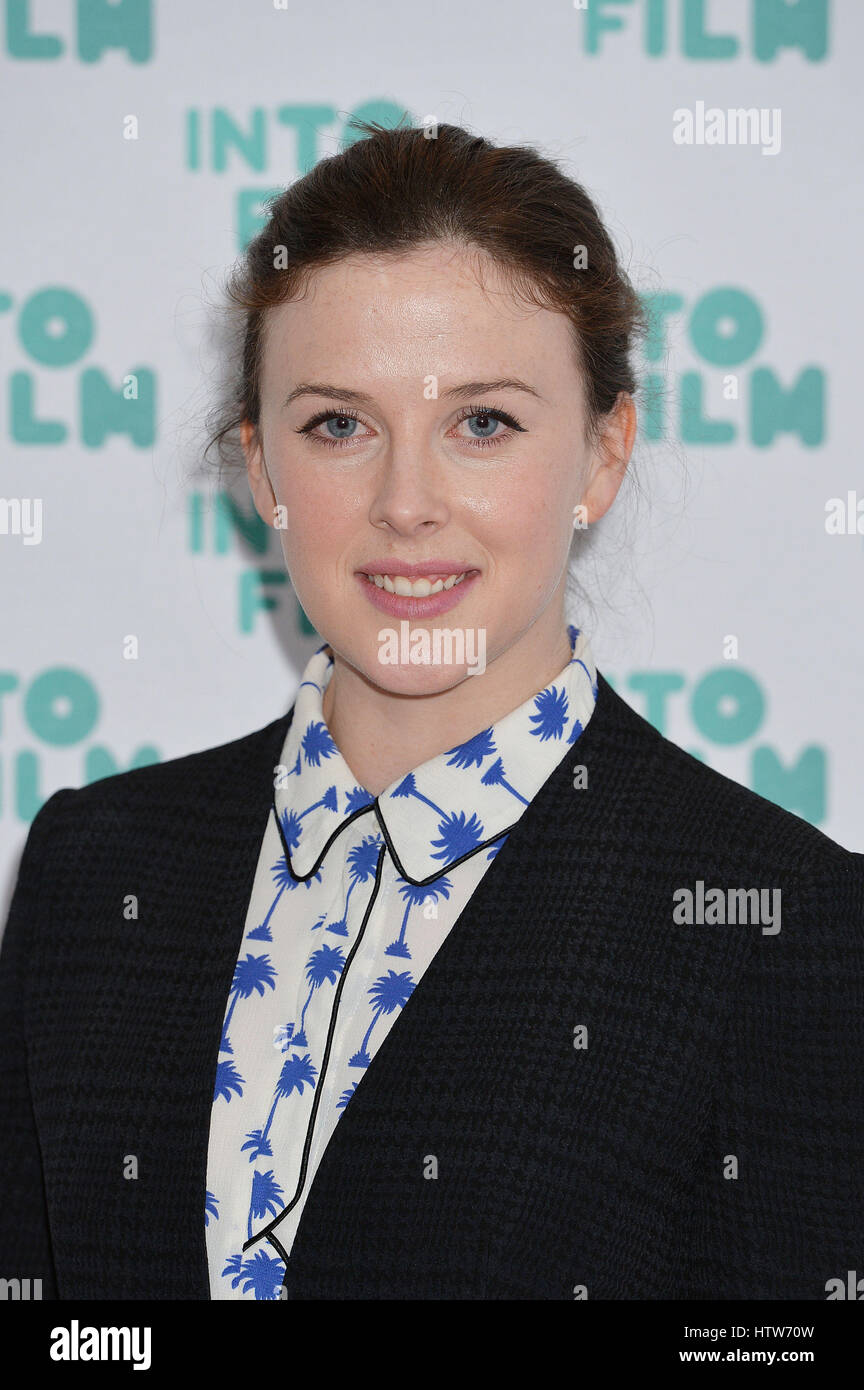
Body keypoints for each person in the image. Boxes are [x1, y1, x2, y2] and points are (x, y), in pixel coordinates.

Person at [1, 121, 861, 1302]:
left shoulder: (778, 923)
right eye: (338, 425)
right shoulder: (92, 869)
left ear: (604, 454)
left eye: (484, 423)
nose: (406, 503)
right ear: (260, 466)